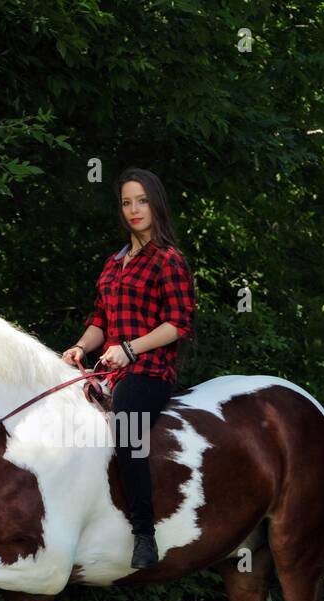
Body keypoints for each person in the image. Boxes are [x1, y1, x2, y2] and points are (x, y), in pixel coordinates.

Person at [62, 167, 197, 569]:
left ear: (155, 204)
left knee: (126, 427)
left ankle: (144, 533)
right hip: (111, 370)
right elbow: (100, 320)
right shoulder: (114, 263)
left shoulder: (169, 260)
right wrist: (79, 347)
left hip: (150, 372)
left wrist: (131, 350)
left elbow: (179, 324)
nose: (134, 210)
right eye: (126, 202)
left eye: (141, 200)